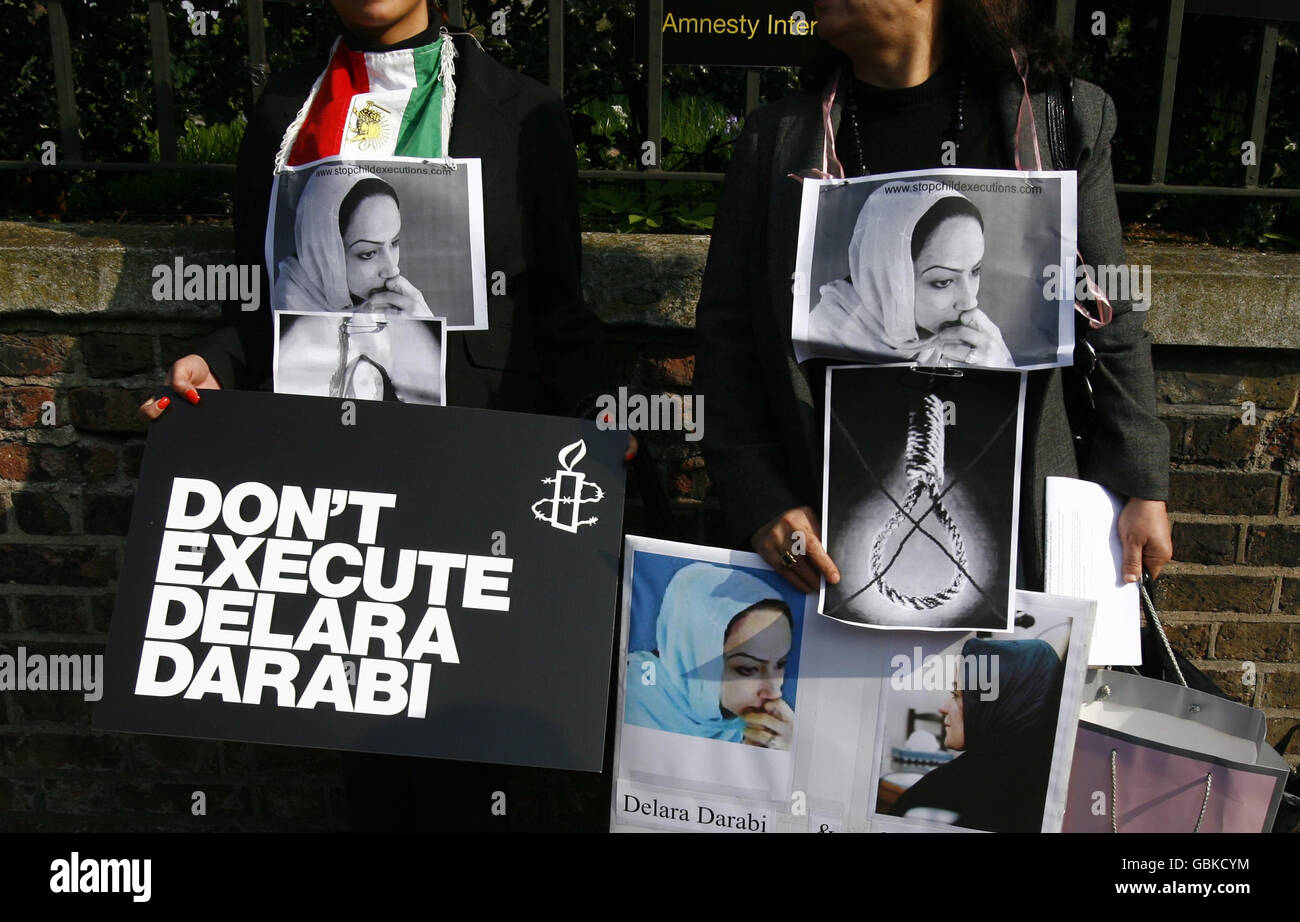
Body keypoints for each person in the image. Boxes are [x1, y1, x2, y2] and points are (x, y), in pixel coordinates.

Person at [137, 0, 607, 831]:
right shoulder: (287, 109)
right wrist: (219, 361)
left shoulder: (524, 109)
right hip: (337, 475)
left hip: (478, 469)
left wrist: (595, 407)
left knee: (473, 739)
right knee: (370, 739)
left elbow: (558, 305)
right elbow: (259, 298)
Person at [694, 0, 1172, 596]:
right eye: (941, 279)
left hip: (1023, 530)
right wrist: (762, 502)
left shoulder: (1053, 119)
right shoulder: (778, 141)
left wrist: (1141, 483)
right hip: (828, 542)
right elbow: (727, 339)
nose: (965, 300)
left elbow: (1109, 310)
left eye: (970, 275)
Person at [807, 182, 1013, 367]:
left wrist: (1001, 370)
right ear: (890, 276)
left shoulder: (968, 347)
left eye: (975, 271)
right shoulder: (820, 338)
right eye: (943, 282)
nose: (969, 303)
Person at [888, 637, 1063, 832]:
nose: (942, 707)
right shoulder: (1050, 784)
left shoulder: (959, 787)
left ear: (997, 705)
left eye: (957, 695)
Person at [625, 562, 795, 750]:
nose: (775, 692)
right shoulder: (629, 701)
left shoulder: (754, 727)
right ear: (693, 653)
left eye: (781, 664)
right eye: (747, 669)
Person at [273, 168, 433, 317]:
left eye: (394, 242)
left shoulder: (397, 305)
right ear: (325, 251)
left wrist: (424, 324)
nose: (393, 270)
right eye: (368, 253)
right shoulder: (291, 303)